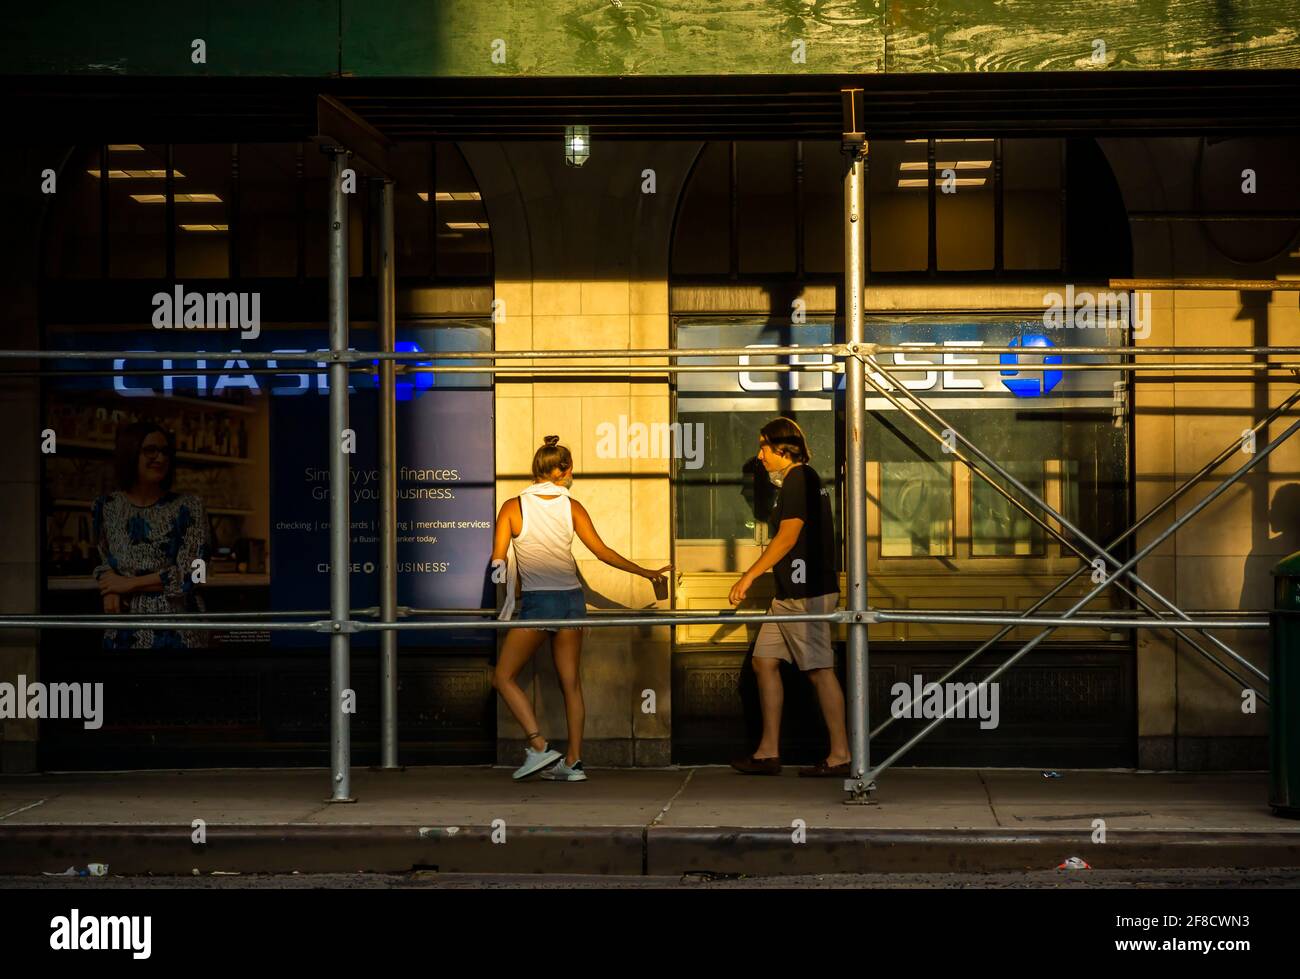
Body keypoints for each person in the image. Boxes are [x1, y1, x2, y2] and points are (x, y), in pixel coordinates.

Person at [491, 435, 670, 782]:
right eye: (572, 470)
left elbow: (498, 560)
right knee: (571, 685)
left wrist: (506, 586)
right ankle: (573, 762)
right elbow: (602, 552)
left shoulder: (513, 507)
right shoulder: (572, 507)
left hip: (539, 602)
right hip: (572, 600)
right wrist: (646, 572)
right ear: (564, 471)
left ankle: (539, 745)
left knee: (502, 676)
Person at [728, 417, 849, 777]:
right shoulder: (801, 481)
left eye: (764, 447)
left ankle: (841, 754)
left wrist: (748, 576)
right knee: (764, 661)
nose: (760, 455)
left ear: (784, 449)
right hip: (788, 596)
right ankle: (768, 752)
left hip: (805, 595)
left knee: (819, 670)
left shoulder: (800, 478)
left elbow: (787, 537)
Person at [92, 420, 211, 649]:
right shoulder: (105, 507)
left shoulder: (189, 507)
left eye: (166, 451)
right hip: (123, 630)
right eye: (150, 450)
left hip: (179, 629)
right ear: (130, 453)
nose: (161, 458)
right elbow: (102, 560)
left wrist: (127, 584)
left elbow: (193, 575)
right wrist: (109, 589)